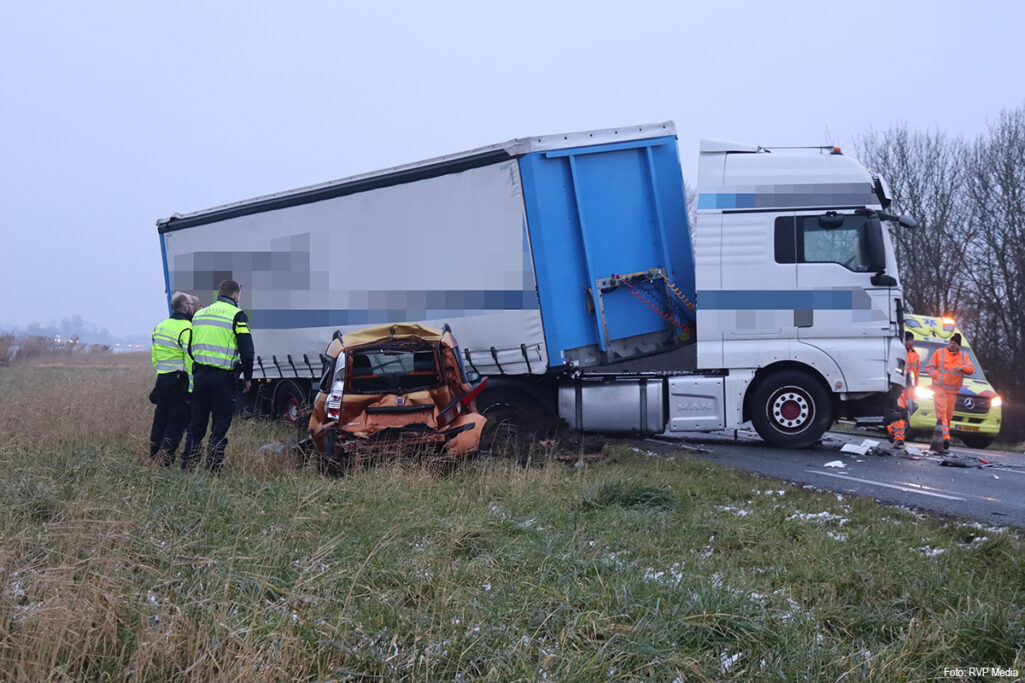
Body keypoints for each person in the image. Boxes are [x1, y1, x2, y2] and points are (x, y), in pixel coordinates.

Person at [182, 280, 254, 472]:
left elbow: (190, 348)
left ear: (219, 294)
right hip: (223, 379)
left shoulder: (199, 315)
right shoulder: (237, 316)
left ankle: (188, 465)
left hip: (200, 377)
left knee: (196, 424)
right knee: (220, 425)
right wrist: (248, 377)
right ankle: (213, 468)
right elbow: (247, 351)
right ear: (236, 296)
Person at [149, 291, 194, 466]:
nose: (192, 308)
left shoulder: (159, 327)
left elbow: (155, 356)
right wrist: (191, 387)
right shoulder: (186, 328)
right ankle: (165, 460)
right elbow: (190, 359)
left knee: (160, 418)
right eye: (191, 305)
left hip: (162, 380)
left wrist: (160, 374)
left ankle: (154, 454)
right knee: (177, 420)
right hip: (179, 381)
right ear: (184, 307)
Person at [925, 332, 974, 453]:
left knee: (948, 415)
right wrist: (938, 376)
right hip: (939, 389)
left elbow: (971, 369)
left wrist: (962, 368)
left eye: (954, 343)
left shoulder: (964, 356)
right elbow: (929, 368)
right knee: (941, 414)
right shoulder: (939, 352)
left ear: (959, 346)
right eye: (950, 342)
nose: (951, 345)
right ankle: (945, 438)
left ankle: (943, 437)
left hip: (952, 391)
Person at [888, 331, 921, 449]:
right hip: (900, 387)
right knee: (900, 413)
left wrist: (915, 388)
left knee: (907, 416)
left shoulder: (915, 355)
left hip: (910, 389)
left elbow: (916, 373)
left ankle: (891, 429)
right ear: (906, 341)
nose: (912, 342)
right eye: (911, 340)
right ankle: (899, 439)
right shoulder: (899, 352)